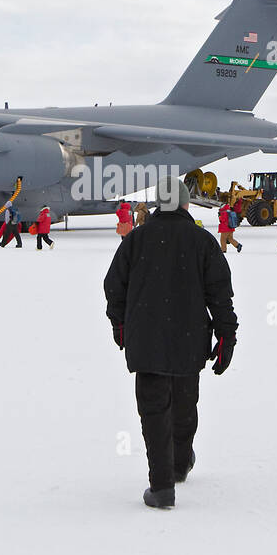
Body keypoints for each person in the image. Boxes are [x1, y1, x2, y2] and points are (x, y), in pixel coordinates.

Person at [104, 174, 237, 509]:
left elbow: (113, 288)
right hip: (189, 340)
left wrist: (120, 326)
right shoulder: (202, 241)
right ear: (185, 203)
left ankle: (162, 484)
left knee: (154, 410)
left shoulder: (136, 239)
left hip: (147, 342)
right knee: (184, 403)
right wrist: (226, 337)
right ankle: (178, 463)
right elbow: (220, 295)